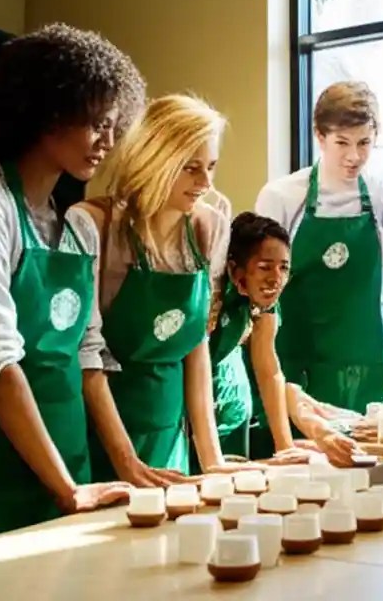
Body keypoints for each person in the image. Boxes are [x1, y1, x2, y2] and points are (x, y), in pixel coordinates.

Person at [0, 23, 145, 543]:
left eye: (115, 126)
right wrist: (65, 488)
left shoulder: (74, 228)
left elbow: (88, 354)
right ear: (48, 111)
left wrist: (126, 464)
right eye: (96, 123)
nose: (108, 142)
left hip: (69, 456)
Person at [68, 94, 250, 482]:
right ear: (155, 160)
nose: (206, 183)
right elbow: (88, 356)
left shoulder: (208, 229)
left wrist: (212, 460)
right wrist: (127, 463)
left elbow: (195, 345)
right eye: (191, 168)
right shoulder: (93, 225)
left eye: (211, 167)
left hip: (171, 443)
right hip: (101, 439)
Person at [255, 80, 383, 413]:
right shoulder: (282, 198)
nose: (354, 156)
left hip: (367, 380)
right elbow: (258, 301)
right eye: (342, 142)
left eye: (365, 143)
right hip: (294, 377)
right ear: (320, 136)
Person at [209, 211, 364, 466]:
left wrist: (285, 448)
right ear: (235, 269)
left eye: (284, 267)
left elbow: (269, 371)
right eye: (265, 267)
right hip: (190, 417)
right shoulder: (212, 297)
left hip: (232, 413)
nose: (276, 278)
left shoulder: (265, 301)